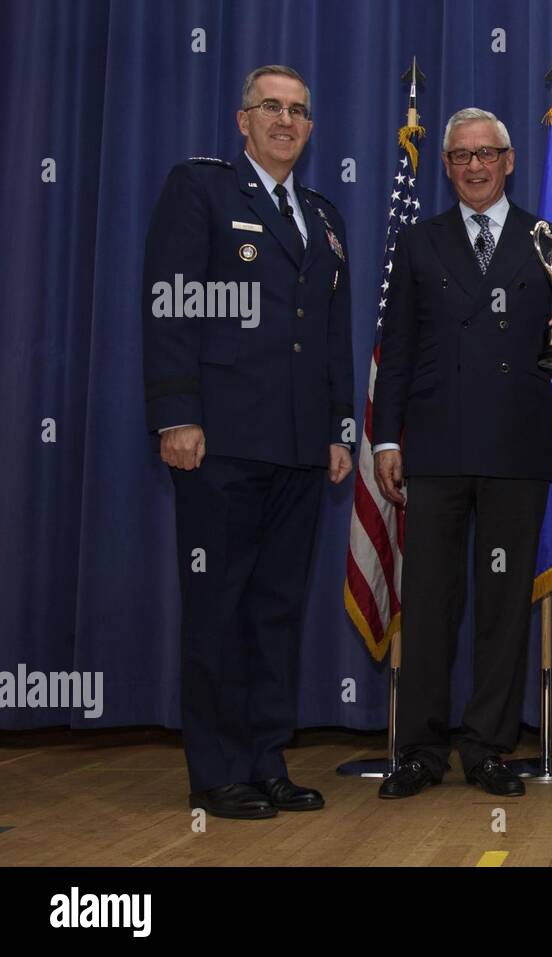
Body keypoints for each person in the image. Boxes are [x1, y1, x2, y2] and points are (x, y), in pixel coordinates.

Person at [142, 64, 353, 819]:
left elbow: (331, 338)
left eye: (299, 110)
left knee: (275, 612)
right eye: (272, 107)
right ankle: (218, 768)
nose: (286, 121)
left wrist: (339, 429)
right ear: (243, 120)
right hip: (220, 440)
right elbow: (170, 304)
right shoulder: (200, 190)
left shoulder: (323, 217)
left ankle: (266, 758)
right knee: (217, 608)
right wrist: (176, 413)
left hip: (298, 445)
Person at [371, 108, 552, 799]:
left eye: (487, 153)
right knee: (430, 602)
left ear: (509, 160)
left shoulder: (548, 238)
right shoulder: (419, 241)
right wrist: (387, 437)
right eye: (460, 156)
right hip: (436, 449)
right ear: (445, 166)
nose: (475, 166)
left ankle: (486, 746)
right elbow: (396, 353)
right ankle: (419, 749)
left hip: (514, 446)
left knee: (505, 606)